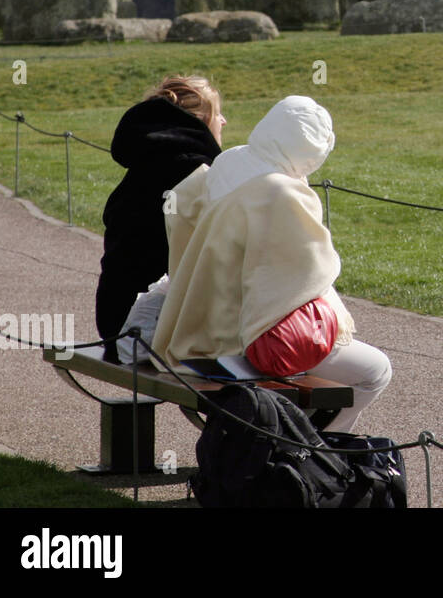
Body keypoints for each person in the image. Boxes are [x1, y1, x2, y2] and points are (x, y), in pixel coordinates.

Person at [152, 95, 391, 433]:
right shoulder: (282, 192)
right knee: (376, 370)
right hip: (250, 337)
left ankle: (293, 445)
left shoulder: (229, 162)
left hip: (199, 324)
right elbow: (309, 275)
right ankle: (316, 452)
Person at [96, 76, 225, 363]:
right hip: (150, 330)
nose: (224, 121)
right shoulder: (196, 174)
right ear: (202, 119)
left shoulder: (142, 170)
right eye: (218, 114)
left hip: (114, 323)